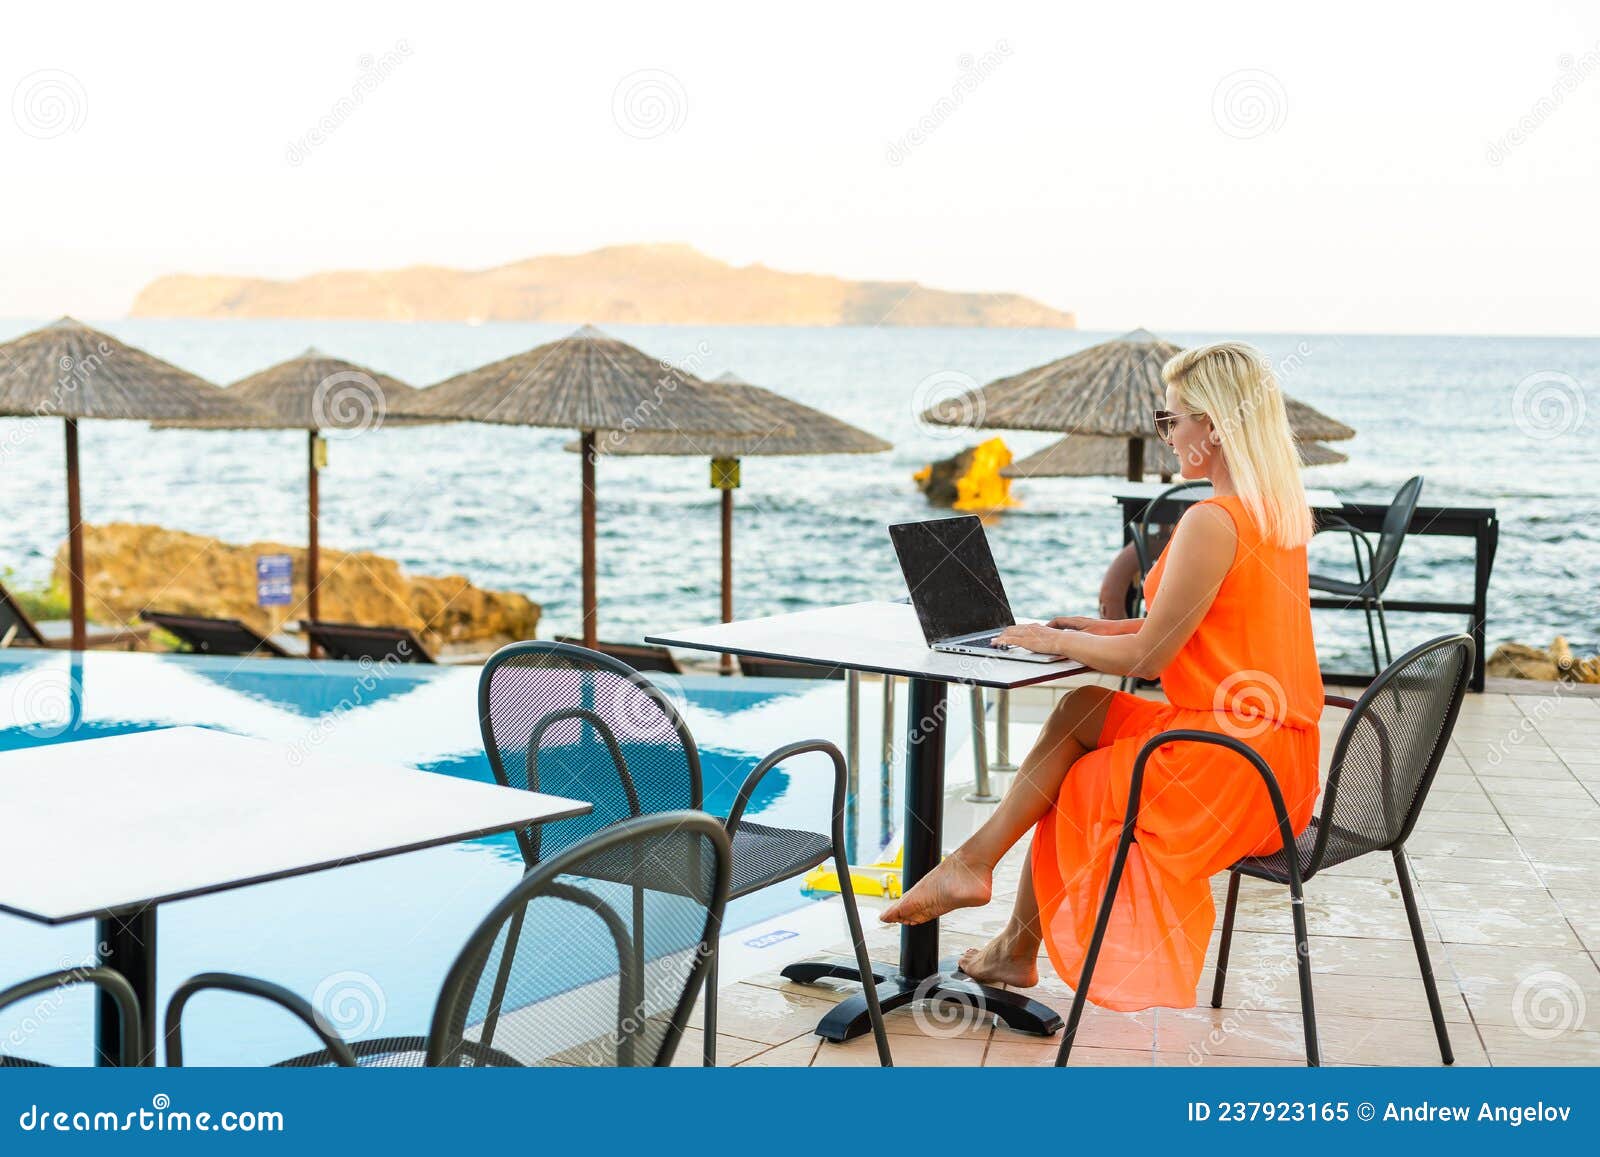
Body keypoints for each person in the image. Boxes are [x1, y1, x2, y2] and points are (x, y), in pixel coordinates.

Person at [880, 341, 1324, 1012]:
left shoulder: (1211, 521)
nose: (1168, 434)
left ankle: (995, 908)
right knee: (1083, 710)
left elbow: (1150, 659)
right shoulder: (1276, 512)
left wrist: (1053, 639)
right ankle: (991, 905)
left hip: (1230, 764)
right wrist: (1088, 631)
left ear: (1213, 425)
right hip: (1280, 763)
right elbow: (1186, 632)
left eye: (1172, 418)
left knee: (1074, 778)